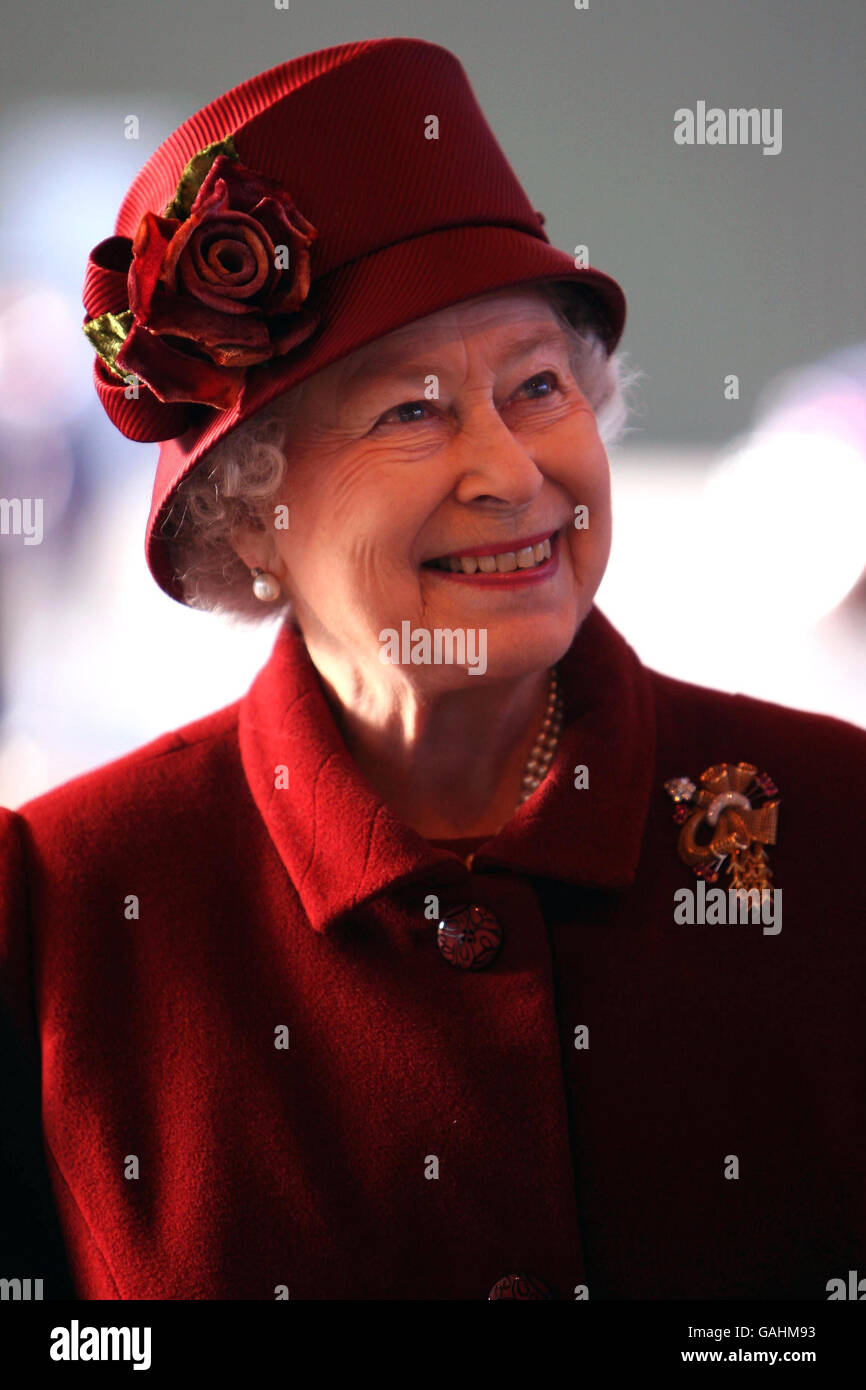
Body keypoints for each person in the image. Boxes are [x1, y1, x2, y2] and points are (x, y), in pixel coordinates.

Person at [1, 36, 864, 1302]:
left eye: (536, 387)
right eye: (410, 409)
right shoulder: (61, 910)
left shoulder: (834, 825)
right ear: (253, 512)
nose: (510, 473)